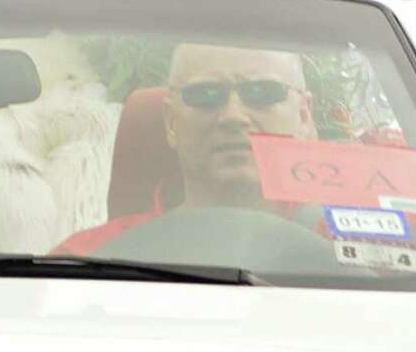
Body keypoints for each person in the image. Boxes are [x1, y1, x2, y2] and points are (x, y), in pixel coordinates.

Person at [58, 43, 317, 253]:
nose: (233, 116)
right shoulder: (87, 260)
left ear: (304, 116)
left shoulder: (349, 254)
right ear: (171, 122)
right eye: (206, 94)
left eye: (262, 92)